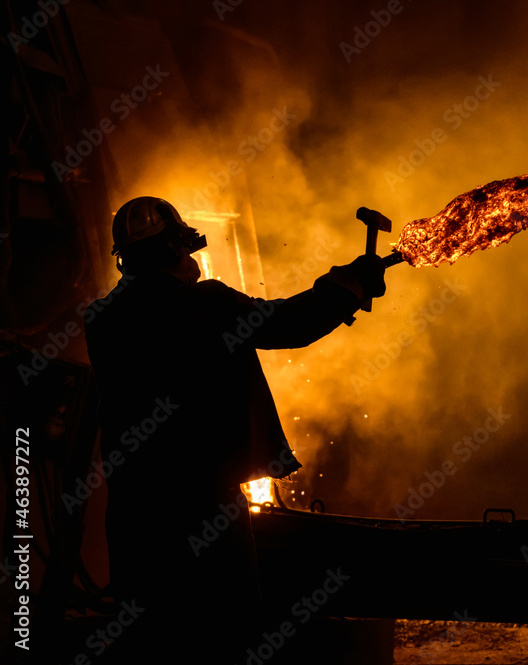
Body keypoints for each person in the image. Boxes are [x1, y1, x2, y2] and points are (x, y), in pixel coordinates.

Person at [84, 196, 385, 662]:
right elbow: (291, 323)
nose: (191, 261)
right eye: (182, 251)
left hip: (135, 515)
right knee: (230, 635)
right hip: (203, 505)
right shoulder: (206, 305)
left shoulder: (102, 319)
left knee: (146, 640)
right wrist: (349, 285)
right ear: (171, 251)